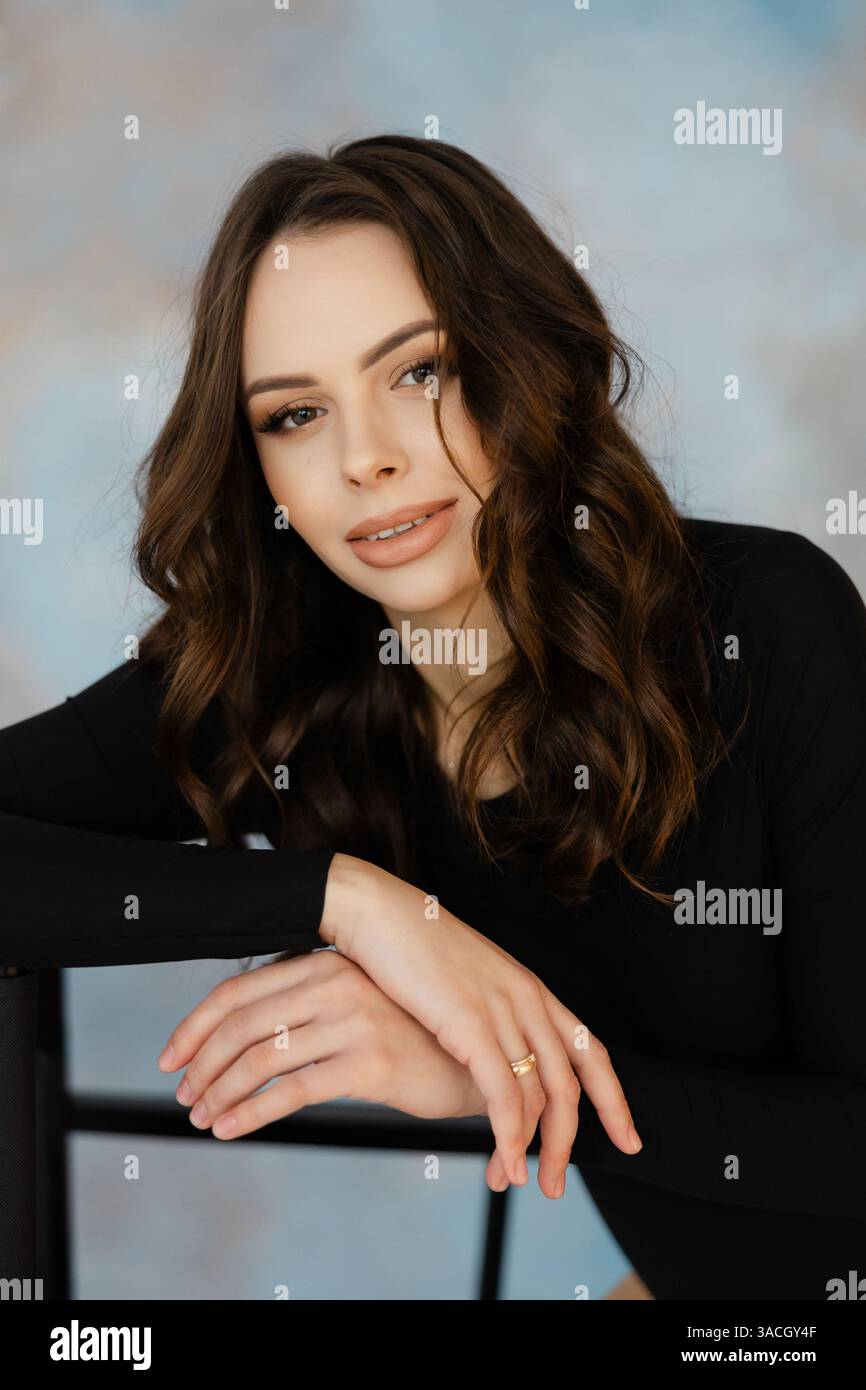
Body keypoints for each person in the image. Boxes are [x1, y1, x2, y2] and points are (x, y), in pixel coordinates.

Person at [2, 135, 864, 1300]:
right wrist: (346, 900)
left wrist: (501, 1067)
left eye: (418, 372)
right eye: (294, 414)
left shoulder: (764, 622)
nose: (365, 459)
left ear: (522, 363)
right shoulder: (282, 680)